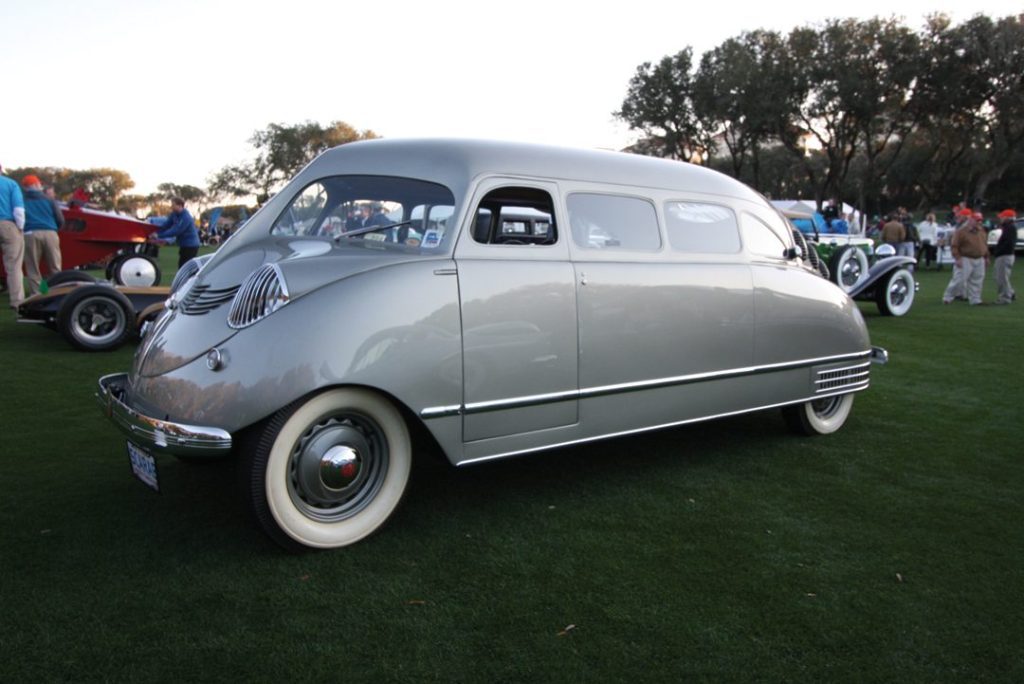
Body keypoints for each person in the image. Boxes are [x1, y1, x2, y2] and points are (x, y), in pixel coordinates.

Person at [20, 175, 64, 296]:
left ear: (25, 187)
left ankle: (37, 295)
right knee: (55, 267)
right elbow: (60, 219)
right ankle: (57, 294)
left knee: (33, 268)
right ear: (36, 185)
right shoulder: (49, 200)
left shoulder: (21, 201)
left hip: (30, 233)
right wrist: (55, 229)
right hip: (50, 232)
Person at [943, 210, 989, 305]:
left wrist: (986, 256)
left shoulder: (981, 231)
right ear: (971, 220)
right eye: (977, 220)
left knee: (977, 280)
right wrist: (957, 258)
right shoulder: (961, 232)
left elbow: (984, 244)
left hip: (979, 258)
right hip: (965, 258)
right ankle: (948, 297)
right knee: (959, 280)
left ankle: (975, 299)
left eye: (980, 220)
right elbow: (954, 246)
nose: (979, 222)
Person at [0, 163, 26, 308]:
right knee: (14, 266)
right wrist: (20, 227)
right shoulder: (10, 184)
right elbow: (18, 209)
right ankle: (17, 301)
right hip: (7, 225)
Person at [153, 197, 200, 268]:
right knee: (182, 266)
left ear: (180, 205)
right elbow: (166, 225)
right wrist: (154, 231)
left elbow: (176, 231)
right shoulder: (174, 214)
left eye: (173, 205)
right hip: (183, 245)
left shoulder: (185, 217)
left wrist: (158, 235)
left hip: (191, 246)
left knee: (185, 268)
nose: (171, 206)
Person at [992, 209, 1017, 304]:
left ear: (1007, 218)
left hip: (1004, 255)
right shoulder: (1009, 227)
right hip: (1006, 255)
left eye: (1002, 217)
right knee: (1000, 276)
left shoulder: (1009, 228)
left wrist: (998, 251)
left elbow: (1008, 243)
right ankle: (1010, 292)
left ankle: (1005, 298)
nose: (1000, 219)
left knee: (1001, 277)